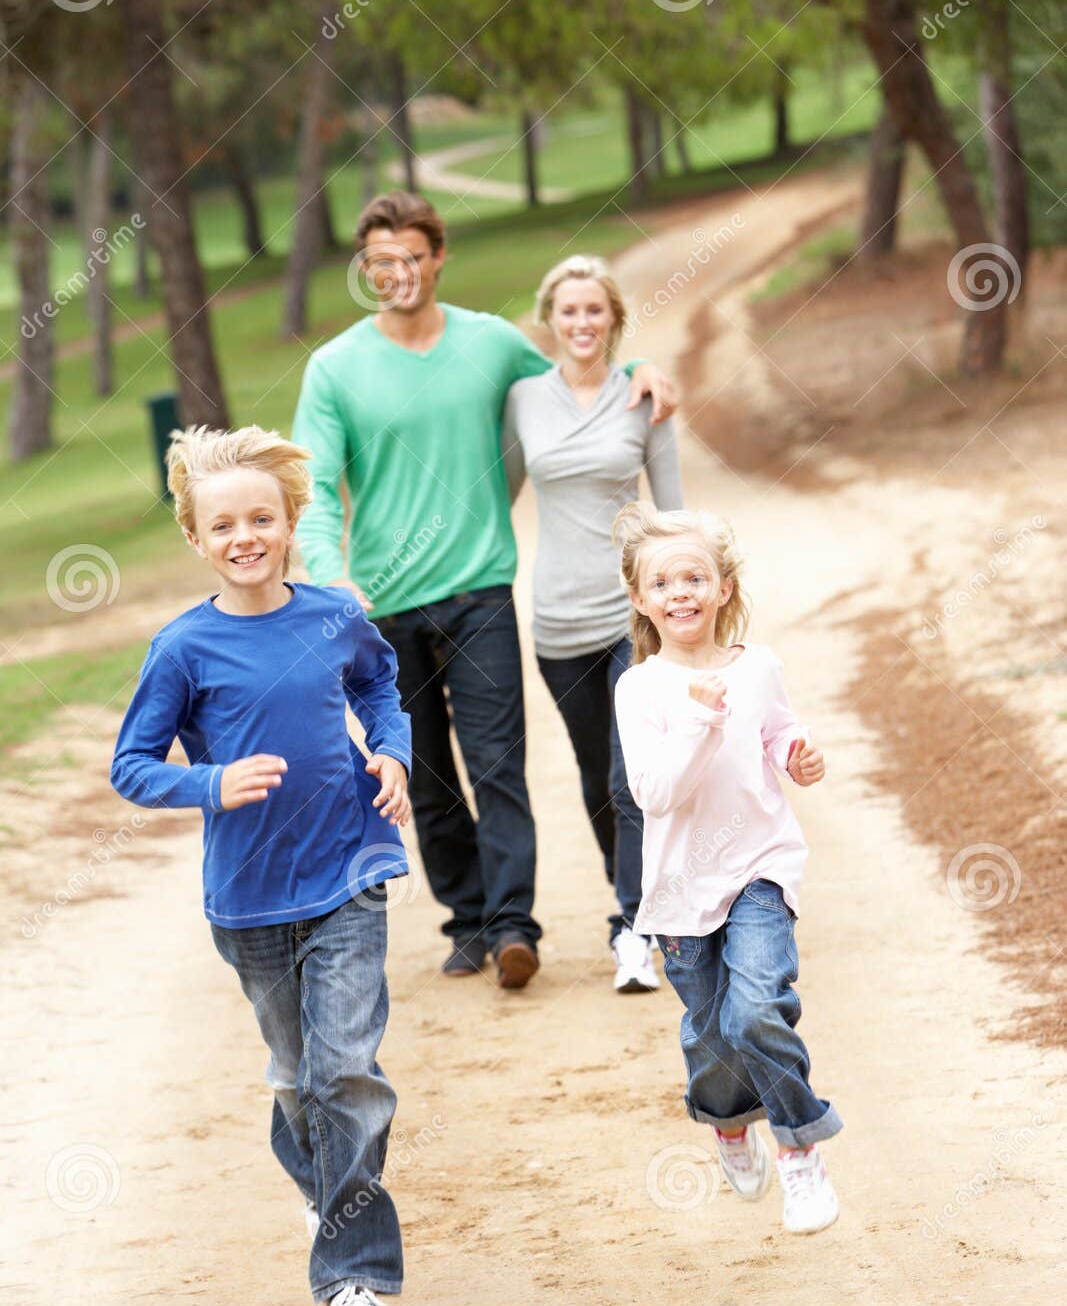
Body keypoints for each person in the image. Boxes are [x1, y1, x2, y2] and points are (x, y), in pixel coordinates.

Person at [291, 190, 676, 989]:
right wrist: (330, 573)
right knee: (421, 772)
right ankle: (467, 918)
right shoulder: (334, 368)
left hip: (482, 593)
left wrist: (640, 369)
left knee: (497, 766)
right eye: (378, 261)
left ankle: (512, 928)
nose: (395, 273)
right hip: (381, 606)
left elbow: (579, 383)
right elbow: (315, 486)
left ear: (437, 259)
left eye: (410, 257)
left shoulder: (492, 344)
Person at [110, 424, 413, 1306]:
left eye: (262, 519)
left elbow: (381, 683)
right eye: (224, 525)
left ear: (290, 523)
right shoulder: (182, 648)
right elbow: (131, 766)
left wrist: (393, 753)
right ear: (196, 540)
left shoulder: (331, 616)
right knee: (295, 1083)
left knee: (348, 1072)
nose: (246, 536)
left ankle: (351, 1280)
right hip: (247, 900)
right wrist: (210, 782)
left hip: (350, 875)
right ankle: (331, 1195)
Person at [612, 501, 842, 1234]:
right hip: (680, 886)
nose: (680, 592)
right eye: (663, 582)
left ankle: (799, 1149)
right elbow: (654, 792)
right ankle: (729, 1122)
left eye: (694, 577)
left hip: (759, 864)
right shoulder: (640, 688)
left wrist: (795, 755)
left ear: (722, 589)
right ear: (641, 600)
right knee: (711, 1036)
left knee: (755, 1009)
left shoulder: (758, 666)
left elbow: (775, 730)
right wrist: (696, 721)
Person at [503, 256, 683, 993]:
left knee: (628, 775)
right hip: (555, 618)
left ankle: (633, 928)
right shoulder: (521, 398)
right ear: (551, 320)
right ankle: (637, 899)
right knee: (593, 777)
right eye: (568, 312)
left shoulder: (643, 398)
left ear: (613, 320)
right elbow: (498, 488)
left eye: (595, 311)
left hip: (628, 618)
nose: (581, 324)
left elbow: (671, 515)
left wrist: (682, 608)